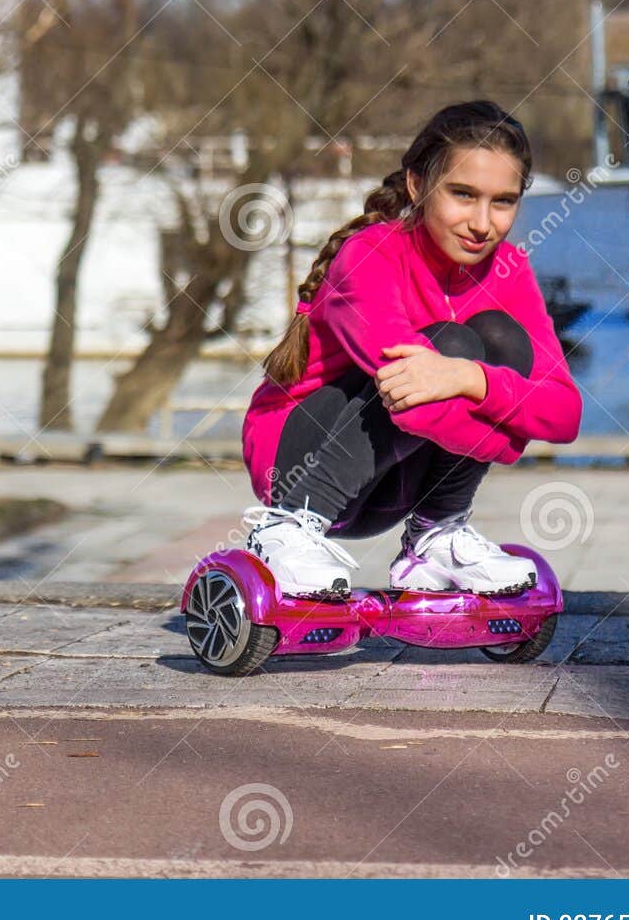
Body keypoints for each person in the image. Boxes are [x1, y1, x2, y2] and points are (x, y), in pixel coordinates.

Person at [238, 100, 582, 598]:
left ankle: (434, 537)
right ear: (419, 185)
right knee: (455, 342)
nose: (482, 223)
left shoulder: (508, 269)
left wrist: (473, 380)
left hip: (390, 481)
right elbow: (409, 400)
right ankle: (286, 529)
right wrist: (512, 427)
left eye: (503, 201)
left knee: (498, 339)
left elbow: (565, 414)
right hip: (299, 461)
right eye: (463, 195)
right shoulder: (370, 257)